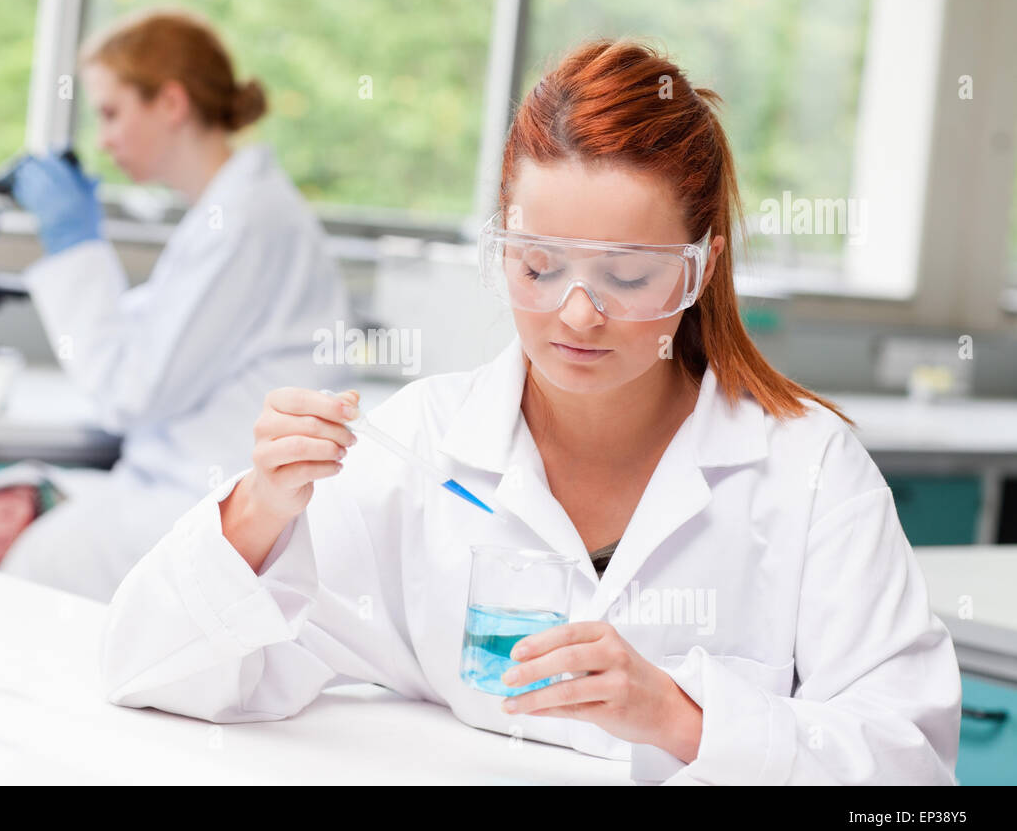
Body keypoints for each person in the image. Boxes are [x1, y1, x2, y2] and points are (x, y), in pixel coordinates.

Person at [97, 39, 961, 784]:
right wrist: (258, 510)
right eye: (539, 266)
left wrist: (687, 719)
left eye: (627, 275)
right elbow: (149, 668)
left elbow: (913, 784)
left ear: (701, 270)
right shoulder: (423, 448)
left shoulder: (807, 474)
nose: (578, 313)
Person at [0, 9, 354, 602]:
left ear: (171, 104)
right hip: (179, 487)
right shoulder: (224, 213)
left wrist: (75, 240)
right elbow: (149, 344)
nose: (103, 139)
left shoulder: (243, 220)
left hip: (211, 507)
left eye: (112, 113)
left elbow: (128, 391)